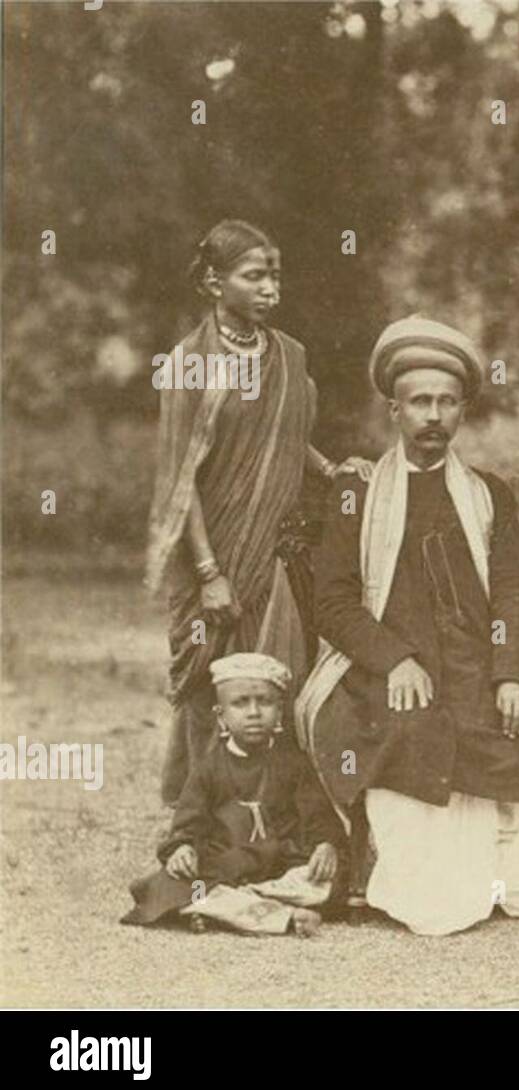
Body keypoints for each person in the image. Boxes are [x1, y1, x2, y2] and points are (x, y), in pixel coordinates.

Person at [296, 316, 519, 937]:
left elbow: (512, 594)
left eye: (447, 402)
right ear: (394, 410)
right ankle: (419, 875)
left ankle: (515, 876)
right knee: (414, 735)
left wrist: (511, 673)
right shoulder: (356, 494)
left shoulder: (487, 494)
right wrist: (394, 660)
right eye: (420, 402)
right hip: (390, 668)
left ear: (461, 410)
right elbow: (334, 603)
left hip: (479, 661)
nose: (433, 415)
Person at [145, 219, 372, 804]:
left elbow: (287, 440)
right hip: (211, 547)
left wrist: (333, 471)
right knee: (210, 675)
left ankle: (272, 808)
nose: (270, 288)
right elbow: (181, 481)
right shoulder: (189, 362)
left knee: (269, 672)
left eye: (275, 275)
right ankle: (201, 810)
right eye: (254, 276)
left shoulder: (288, 356)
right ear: (213, 282)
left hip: (272, 545)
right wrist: (209, 573)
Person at [121, 653, 343, 936]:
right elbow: (188, 822)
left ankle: (229, 908)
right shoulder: (207, 768)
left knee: (326, 880)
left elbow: (319, 817)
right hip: (225, 864)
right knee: (166, 885)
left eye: (264, 702)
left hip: (281, 866)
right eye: (240, 703)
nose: (254, 712)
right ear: (221, 715)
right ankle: (284, 917)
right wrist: (182, 848)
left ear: (279, 710)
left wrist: (325, 845)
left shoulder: (294, 763)